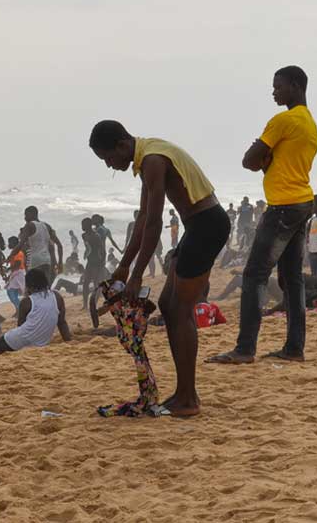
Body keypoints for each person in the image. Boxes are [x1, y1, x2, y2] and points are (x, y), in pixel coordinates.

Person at [89, 119, 229, 417]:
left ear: (123, 144)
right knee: (168, 305)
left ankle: (189, 399)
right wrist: (124, 267)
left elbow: (154, 223)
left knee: (181, 310)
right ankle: (182, 393)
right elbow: (142, 219)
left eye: (109, 158)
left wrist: (138, 274)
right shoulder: (147, 157)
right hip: (198, 226)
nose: (110, 165)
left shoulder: (153, 160)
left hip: (206, 226)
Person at [210, 65, 317, 367]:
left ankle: (245, 349)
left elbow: (249, 160)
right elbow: (263, 161)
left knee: (254, 275)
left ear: (295, 86)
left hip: (283, 206)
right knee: (293, 279)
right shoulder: (309, 123)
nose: (274, 92)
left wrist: (262, 159)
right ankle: (294, 348)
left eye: (279, 86)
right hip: (302, 203)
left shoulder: (283, 120)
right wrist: (265, 159)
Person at [0, 269, 71, 354]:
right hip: (42, 341)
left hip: (21, 340)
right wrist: (69, 342)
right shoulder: (57, 297)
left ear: (29, 285)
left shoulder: (27, 302)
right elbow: (62, 323)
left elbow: (20, 326)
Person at [18, 206, 63, 281]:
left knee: (33, 289)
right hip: (47, 265)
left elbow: (24, 257)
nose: (25, 218)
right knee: (45, 289)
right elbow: (59, 246)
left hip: (38, 264)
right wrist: (59, 263)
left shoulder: (30, 228)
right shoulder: (46, 230)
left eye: (26, 215)